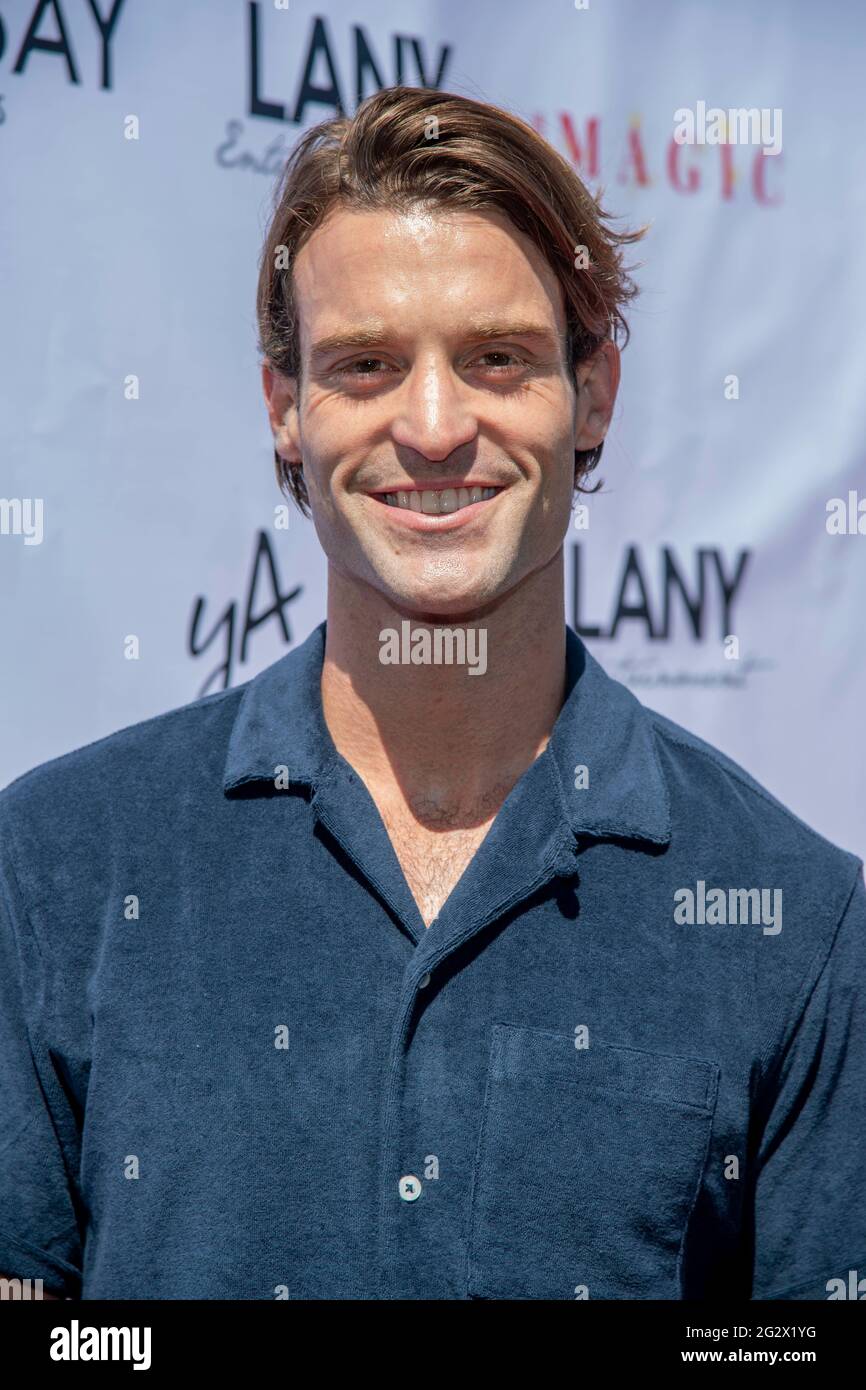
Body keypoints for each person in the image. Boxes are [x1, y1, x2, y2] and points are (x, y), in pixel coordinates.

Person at [1, 85, 864, 1302]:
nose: (434, 425)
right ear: (285, 412)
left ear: (593, 394)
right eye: (365, 366)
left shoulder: (797, 917)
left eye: (495, 359)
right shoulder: (55, 865)